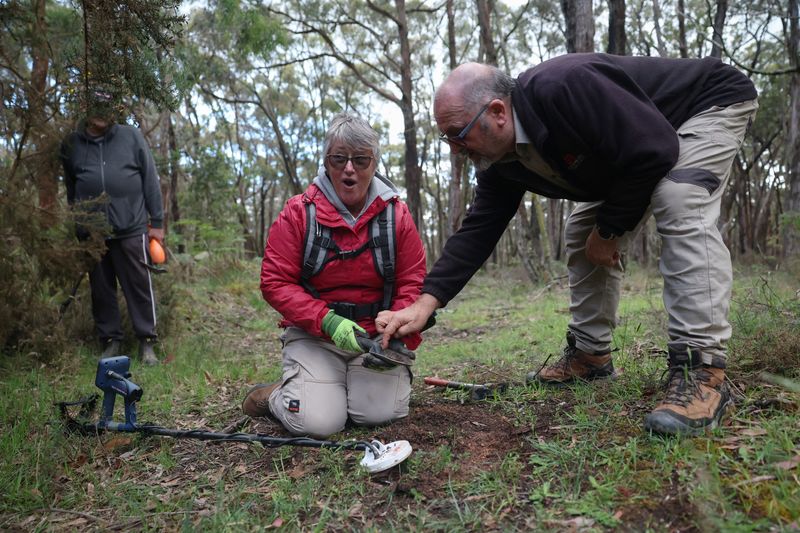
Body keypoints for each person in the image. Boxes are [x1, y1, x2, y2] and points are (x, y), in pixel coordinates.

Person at [378, 54, 758, 436]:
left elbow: (653, 151)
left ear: (497, 112)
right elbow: (479, 228)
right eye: (447, 138)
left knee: (680, 198)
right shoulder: (501, 162)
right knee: (580, 229)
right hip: (643, 142)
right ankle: (590, 356)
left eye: (458, 133)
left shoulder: (564, 89)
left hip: (704, 105)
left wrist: (608, 232)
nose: (455, 149)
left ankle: (701, 372)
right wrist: (426, 302)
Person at [242, 113, 426, 439]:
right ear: (327, 163)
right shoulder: (299, 213)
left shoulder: (397, 216)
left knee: (379, 414)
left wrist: (397, 333)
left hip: (374, 340)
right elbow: (274, 281)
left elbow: (412, 280)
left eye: (361, 160)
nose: (349, 168)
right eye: (339, 159)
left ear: (374, 164)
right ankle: (275, 396)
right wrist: (326, 321)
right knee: (317, 424)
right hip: (315, 337)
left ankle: (333, 387)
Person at [61, 88, 165, 365]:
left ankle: (147, 342)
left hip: (131, 228)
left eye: (106, 106)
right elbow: (72, 188)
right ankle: (111, 341)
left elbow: (150, 179)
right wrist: (79, 225)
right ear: (86, 108)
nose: (102, 112)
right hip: (93, 233)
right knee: (101, 289)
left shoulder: (130, 136)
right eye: (96, 106)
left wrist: (157, 222)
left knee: (139, 286)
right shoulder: (71, 144)